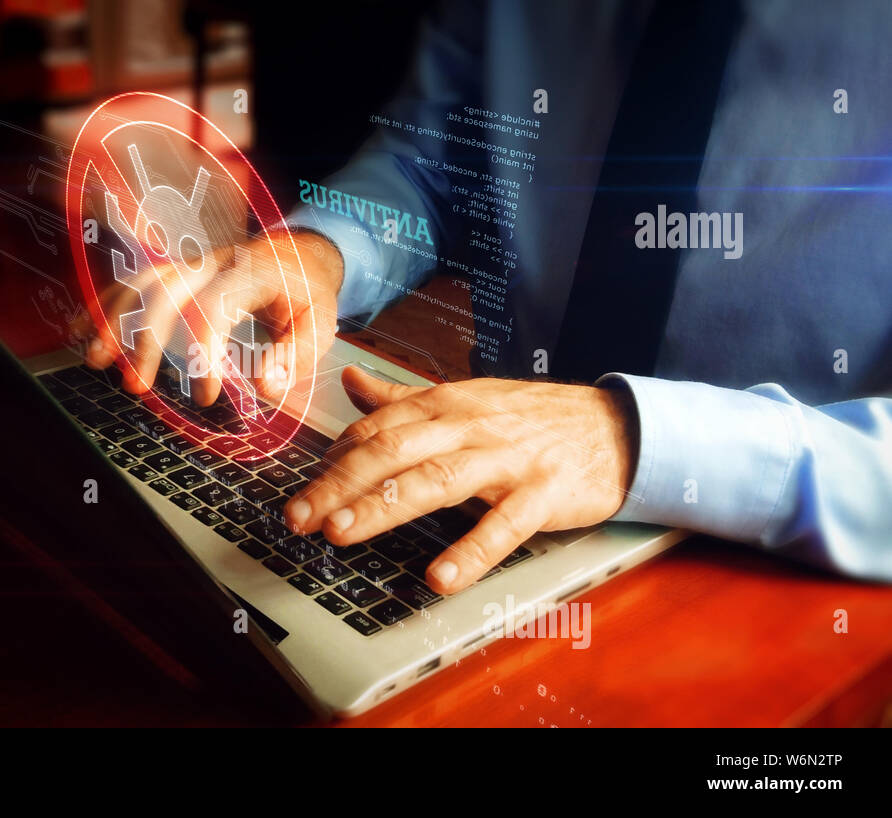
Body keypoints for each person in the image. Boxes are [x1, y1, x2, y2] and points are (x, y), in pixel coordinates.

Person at [81, 0, 892, 594]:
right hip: (470, 493)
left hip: (778, 581)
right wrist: (319, 252)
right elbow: (437, 158)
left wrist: (629, 439)